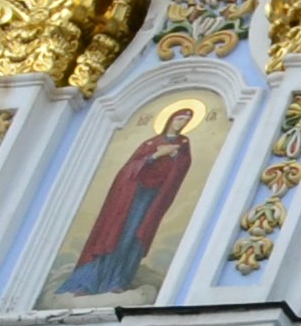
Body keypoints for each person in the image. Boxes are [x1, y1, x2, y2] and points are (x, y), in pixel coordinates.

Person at [56, 104, 203, 298]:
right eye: (179, 119)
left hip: (151, 200)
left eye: (185, 121)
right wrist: (156, 155)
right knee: (112, 234)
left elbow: (182, 167)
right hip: (128, 198)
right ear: (170, 120)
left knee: (132, 237)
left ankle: (118, 280)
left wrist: (175, 156)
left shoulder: (183, 145)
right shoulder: (150, 143)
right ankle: (87, 282)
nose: (181, 123)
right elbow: (127, 170)